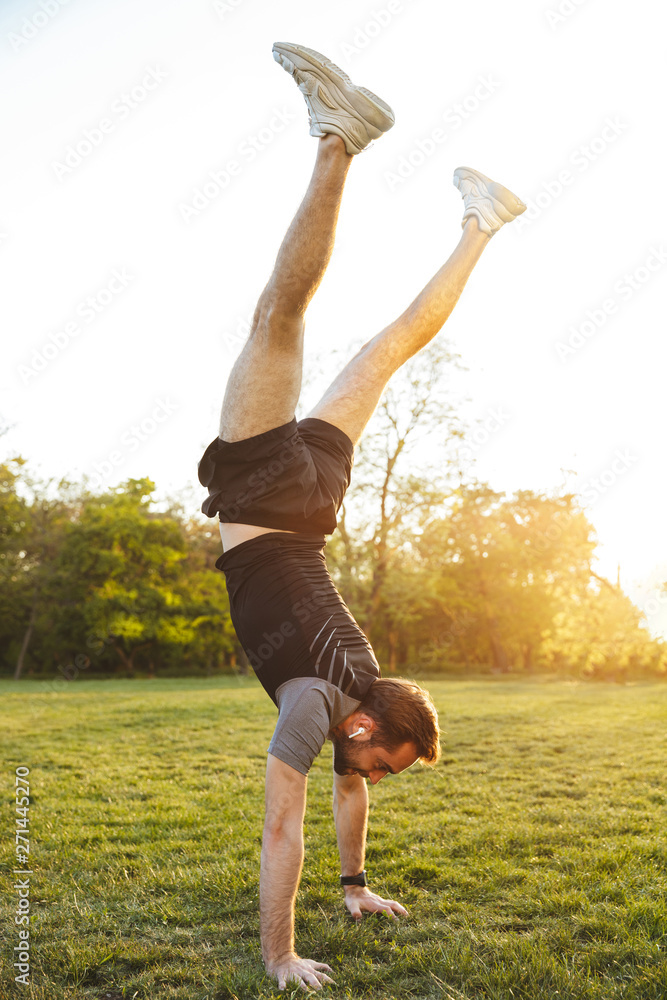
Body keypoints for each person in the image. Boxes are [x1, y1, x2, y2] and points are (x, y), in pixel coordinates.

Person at [198, 41, 526, 992]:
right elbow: (280, 825)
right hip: (270, 503)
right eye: (383, 765)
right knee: (279, 318)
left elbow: (343, 796)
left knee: (383, 354)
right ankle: (340, 137)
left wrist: (354, 887)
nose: (374, 780)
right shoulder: (316, 704)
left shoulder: (362, 692)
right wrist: (278, 954)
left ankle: (480, 223)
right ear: (363, 729)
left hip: (312, 508)